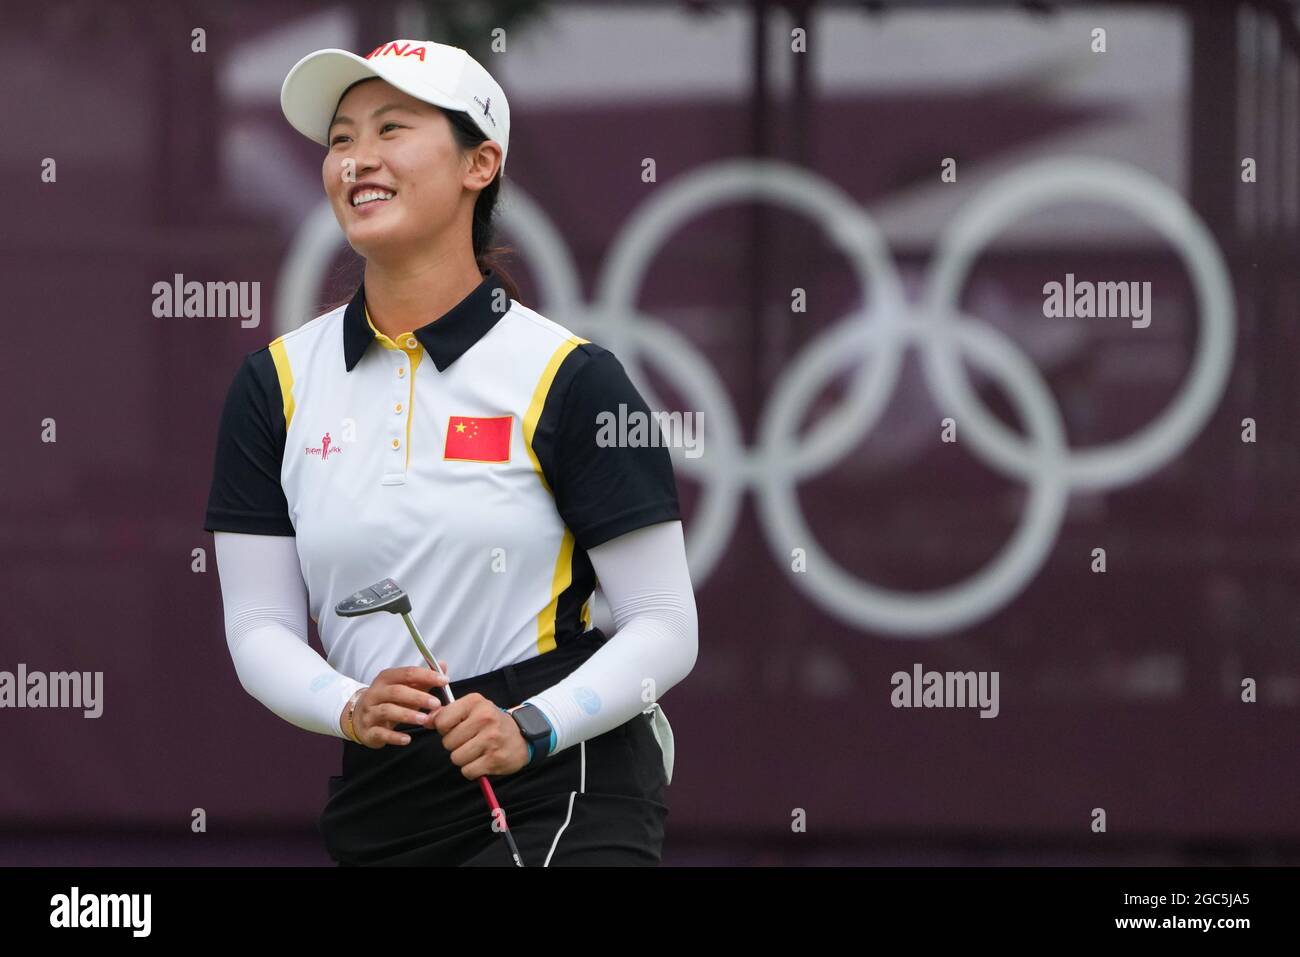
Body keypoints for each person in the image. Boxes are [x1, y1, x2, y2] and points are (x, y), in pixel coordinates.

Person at [202, 38, 698, 866]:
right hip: (385, 788)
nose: (358, 159)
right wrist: (350, 703)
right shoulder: (273, 385)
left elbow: (666, 624)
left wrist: (531, 726)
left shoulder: (574, 379)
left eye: (392, 129)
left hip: (563, 779)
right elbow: (259, 626)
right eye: (340, 139)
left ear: (481, 164)